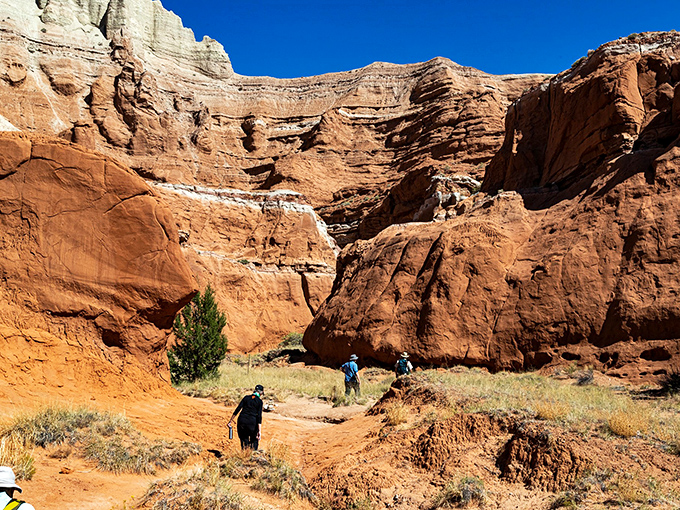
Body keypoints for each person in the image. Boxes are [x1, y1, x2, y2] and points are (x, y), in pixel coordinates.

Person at [228, 384, 264, 450]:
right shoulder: (259, 401)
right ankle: (252, 455)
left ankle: (244, 455)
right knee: (254, 440)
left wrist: (230, 421)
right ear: (261, 393)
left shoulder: (246, 398)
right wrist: (259, 431)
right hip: (252, 423)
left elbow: (238, 409)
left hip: (242, 421)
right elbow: (259, 416)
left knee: (244, 440)